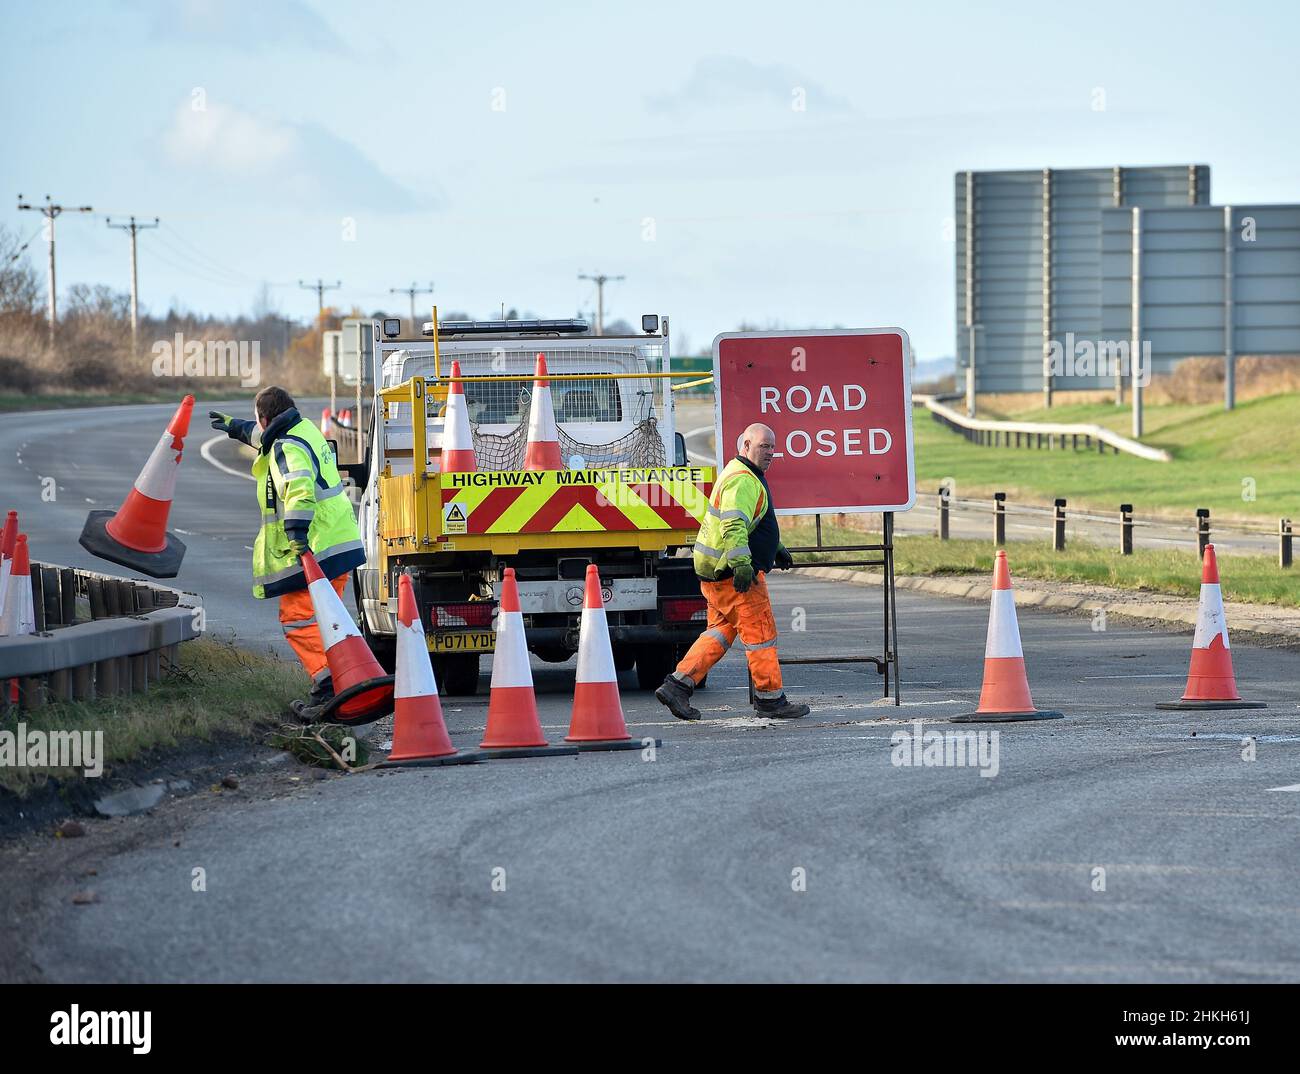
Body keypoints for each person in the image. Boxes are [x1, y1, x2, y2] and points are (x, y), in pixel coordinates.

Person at [210, 387, 366, 720]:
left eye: (256, 421)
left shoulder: (286, 445)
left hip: (317, 546)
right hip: (339, 543)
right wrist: (238, 428)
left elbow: (298, 486)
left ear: (265, 418)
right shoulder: (303, 429)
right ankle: (346, 682)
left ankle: (329, 688)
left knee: (299, 620)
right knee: (328, 619)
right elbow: (269, 438)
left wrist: (296, 532)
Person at [655, 422, 809, 721]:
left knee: (719, 632)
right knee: (761, 633)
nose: (771, 453)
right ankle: (770, 699)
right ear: (746, 446)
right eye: (765, 446)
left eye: (773, 448)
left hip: (715, 574)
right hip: (735, 576)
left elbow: (754, 521)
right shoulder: (743, 481)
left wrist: (775, 546)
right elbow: (734, 525)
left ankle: (677, 685)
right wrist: (741, 565)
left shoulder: (742, 474)